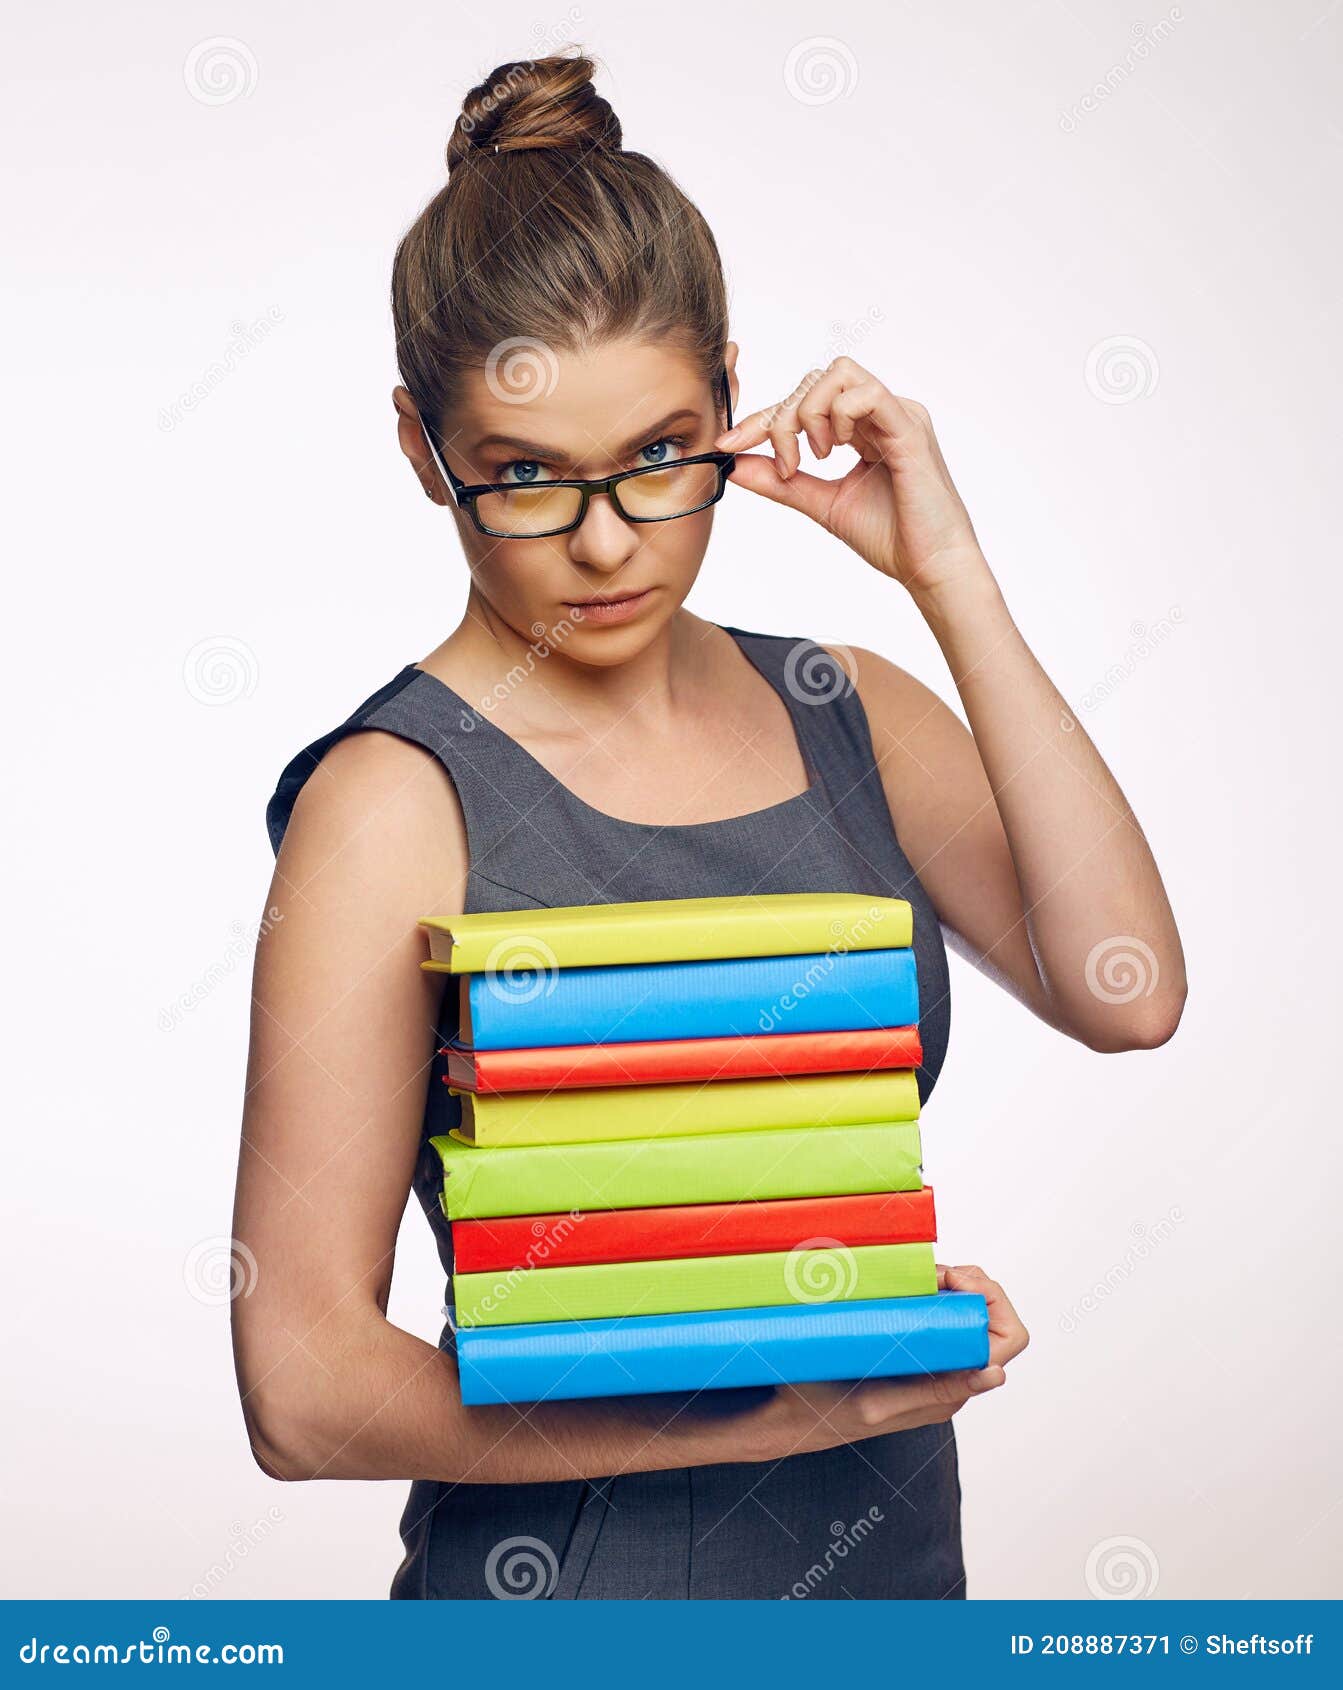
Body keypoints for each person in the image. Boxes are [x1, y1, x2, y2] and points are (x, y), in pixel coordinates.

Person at [230, 48, 1185, 1600]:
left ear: (732, 397)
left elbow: (1128, 993)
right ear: (424, 452)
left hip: (891, 1593)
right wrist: (777, 1410)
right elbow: (302, 1386)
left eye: (663, 458)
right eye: (526, 478)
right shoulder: (392, 799)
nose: (606, 544)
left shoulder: (843, 703)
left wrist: (947, 572)